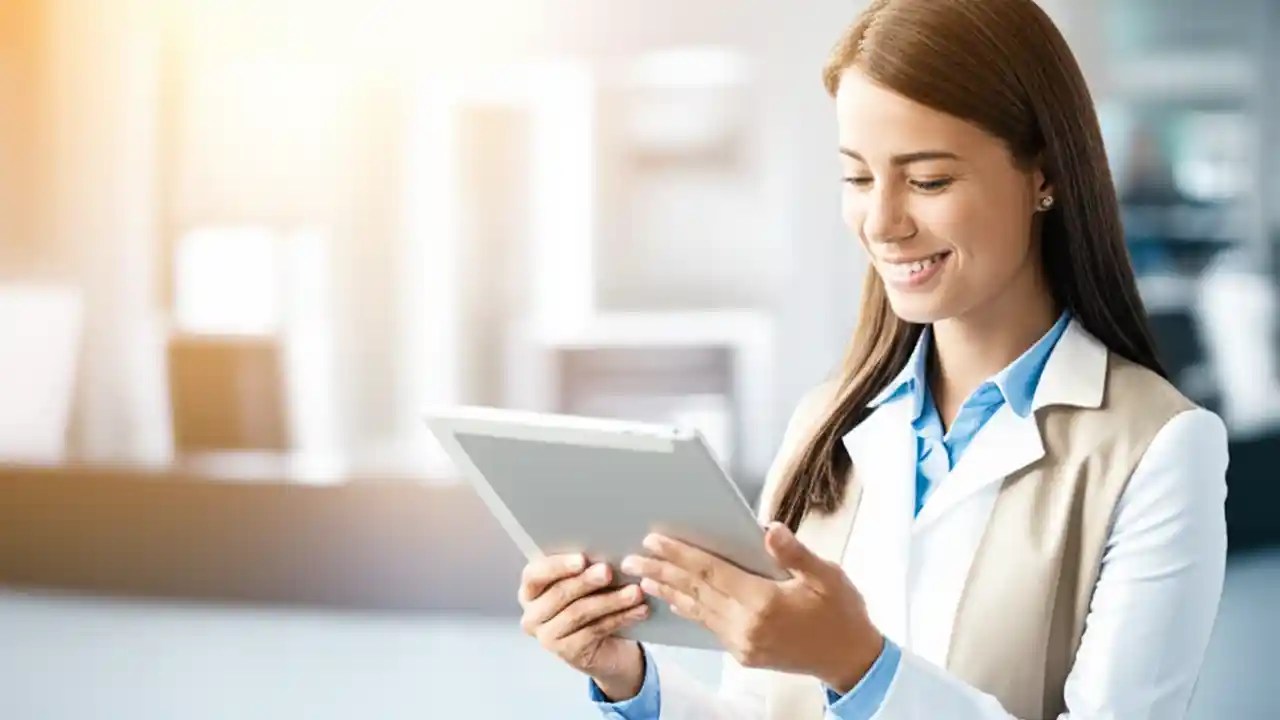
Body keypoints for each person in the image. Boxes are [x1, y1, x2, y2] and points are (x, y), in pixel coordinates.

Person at [515, 0, 1229, 717]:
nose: (883, 223)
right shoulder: (823, 424)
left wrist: (857, 665)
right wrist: (629, 682)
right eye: (858, 179)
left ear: (1043, 174)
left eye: (928, 181)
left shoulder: (1161, 449)